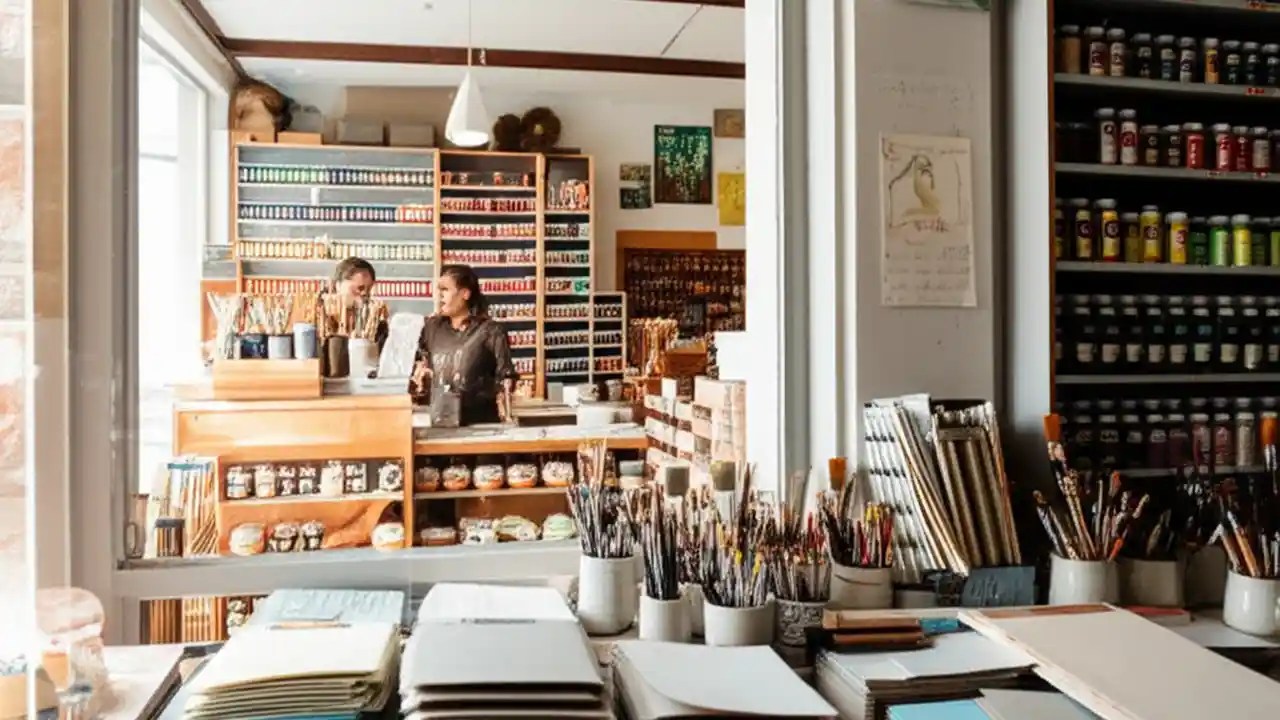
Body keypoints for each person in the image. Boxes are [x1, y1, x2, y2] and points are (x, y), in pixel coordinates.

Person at [410, 264, 517, 425]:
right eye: (438, 290)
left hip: (480, 423)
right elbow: (420, 362)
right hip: (439, 422)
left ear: (465, 293)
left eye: (445, 290)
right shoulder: (431, 327)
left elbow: (506, 377)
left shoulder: (490, 331)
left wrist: (507, 415)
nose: (439, 296)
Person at [330, 257, 387, 347]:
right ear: (338, 285)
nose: (365, 294)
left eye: (369, 290)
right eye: (359, 288)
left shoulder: (376, 320)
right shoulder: (325, 317)